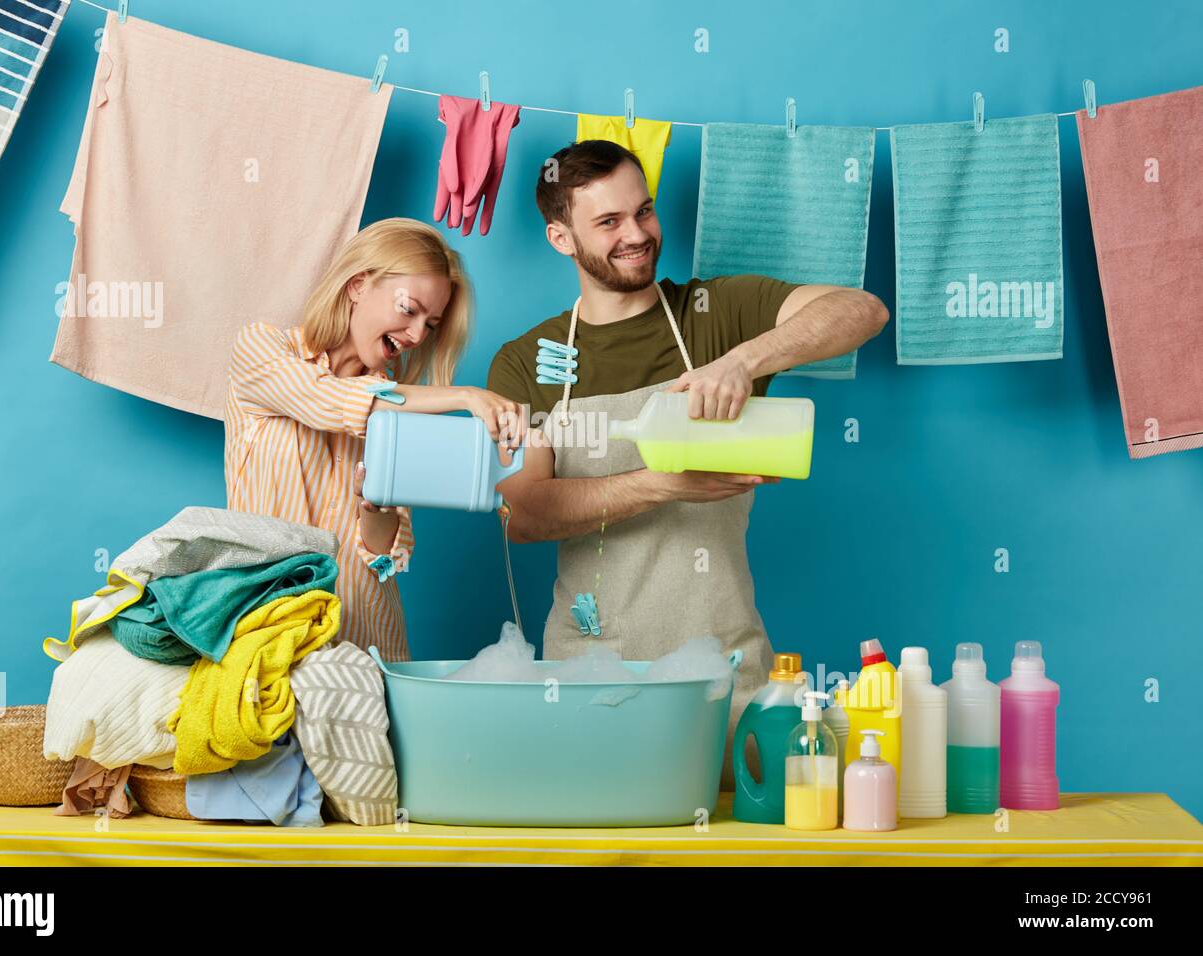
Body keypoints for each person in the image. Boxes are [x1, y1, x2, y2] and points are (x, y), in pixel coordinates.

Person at [486, 141, 888, 788]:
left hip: (726, 684)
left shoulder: (717, 314)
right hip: (591, 681)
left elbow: (862, 310)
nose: (638, 235)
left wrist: (743, 361)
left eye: (643, 211)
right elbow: (524, 514)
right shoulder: (526, 359)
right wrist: (660, 485)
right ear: (561, 238)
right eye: (608, 223)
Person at [225, 217, 520, 661]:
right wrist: (464, 395)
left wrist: (374, 508)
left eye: (431, 323)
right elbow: (323, 400)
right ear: (359, 285)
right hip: (267, 638)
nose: (418, 335)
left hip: (364, 644)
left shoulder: (405, 414)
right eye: (409, 309)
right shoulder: (260, 350)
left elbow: (385, 556)